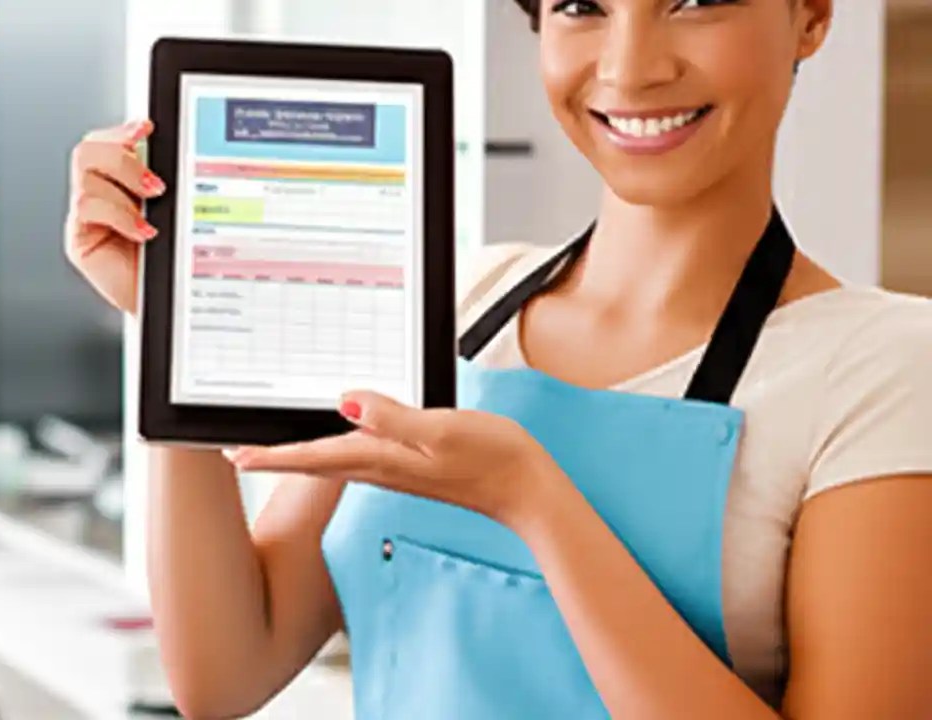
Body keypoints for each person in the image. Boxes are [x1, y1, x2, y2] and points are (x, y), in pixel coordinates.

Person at [66, 0, 932, 717]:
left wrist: (534, 501)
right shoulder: (462, 301)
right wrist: (170, 320)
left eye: (695, 2)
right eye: (581, 7)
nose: (631, 68)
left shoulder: (884, 368)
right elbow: (225, 671)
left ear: (811, 17)